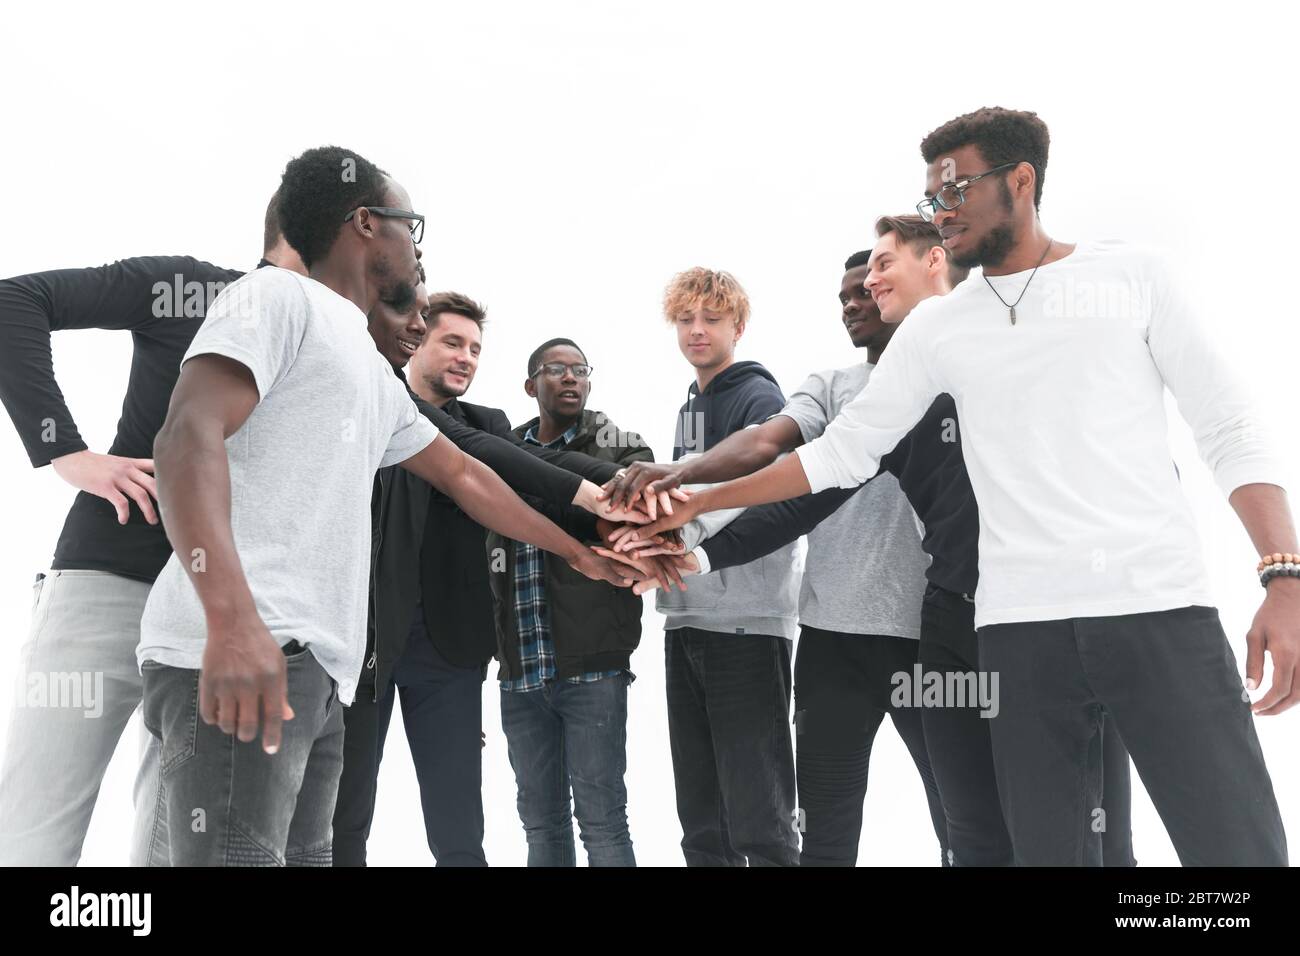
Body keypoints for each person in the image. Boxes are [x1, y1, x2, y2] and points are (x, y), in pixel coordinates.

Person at [624, 108, 1293, 865]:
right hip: (1016, 635)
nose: (940, 210)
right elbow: (838, 457)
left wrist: (1283, 575)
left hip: (1157, 609)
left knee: (1236, 857)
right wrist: (694, 502)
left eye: (957, 191)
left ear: (1021, 181)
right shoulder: (935, 335)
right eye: (931, 197)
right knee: (1019, 850)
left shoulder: (1132, 277)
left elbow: (1229, 427)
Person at [135, 145, 638, 866]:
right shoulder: (274, 297)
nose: (416, 246)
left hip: (315, 670)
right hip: (243, 649)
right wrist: (232, 618)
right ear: (367, 223)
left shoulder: (370, 371)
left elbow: (466, 476)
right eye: (412, 226)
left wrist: (578, 552)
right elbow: (186, 436)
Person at [610, 217, 1135, 867]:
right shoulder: (830, 388)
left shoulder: (962, 378)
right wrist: (692, 532)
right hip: (833, 642)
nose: (857, 302)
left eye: (870, 286)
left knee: (968, 822)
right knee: (825, 832)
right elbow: (784, 473)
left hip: (931, 637)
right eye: (846, 297)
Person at [0, 192, 305, 866]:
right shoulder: (187, 288)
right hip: (108, 579)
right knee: (32, 834)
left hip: (220, 616)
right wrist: (65, 451)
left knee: (171, 846)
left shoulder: (331, 351)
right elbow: (13, 301)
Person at [653, 267, 803, 867]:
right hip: (687, 620)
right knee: (702, 825)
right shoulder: (690, 405)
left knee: (760, 824)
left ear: (737, 326)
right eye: (686, 319)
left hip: (745, 625)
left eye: (711, 319)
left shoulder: (758, 398)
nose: (696, 330)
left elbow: (763, 499)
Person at [489, 337, 654, 866]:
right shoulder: (501, 448)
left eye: (579, 370)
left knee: (602, 820)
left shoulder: (622, 449)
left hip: (593, 670)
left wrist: (535, 465)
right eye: (555, 369)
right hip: (521, 671)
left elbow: (636, 512)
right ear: (530, 384)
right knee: (541, 825)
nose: (570, 379)